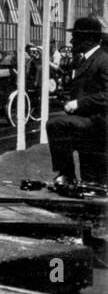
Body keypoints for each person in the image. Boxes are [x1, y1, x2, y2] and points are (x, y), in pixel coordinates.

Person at [46, 15, 108, 190]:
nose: (72, 41)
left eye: (76, 37)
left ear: (87, 39)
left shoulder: (103, 60)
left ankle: (67, 175)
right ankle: (70, 176)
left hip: (98, 121)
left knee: (55, 124)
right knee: (93, 179)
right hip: (90, 119)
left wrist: (79, 103)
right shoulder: (87, 59)